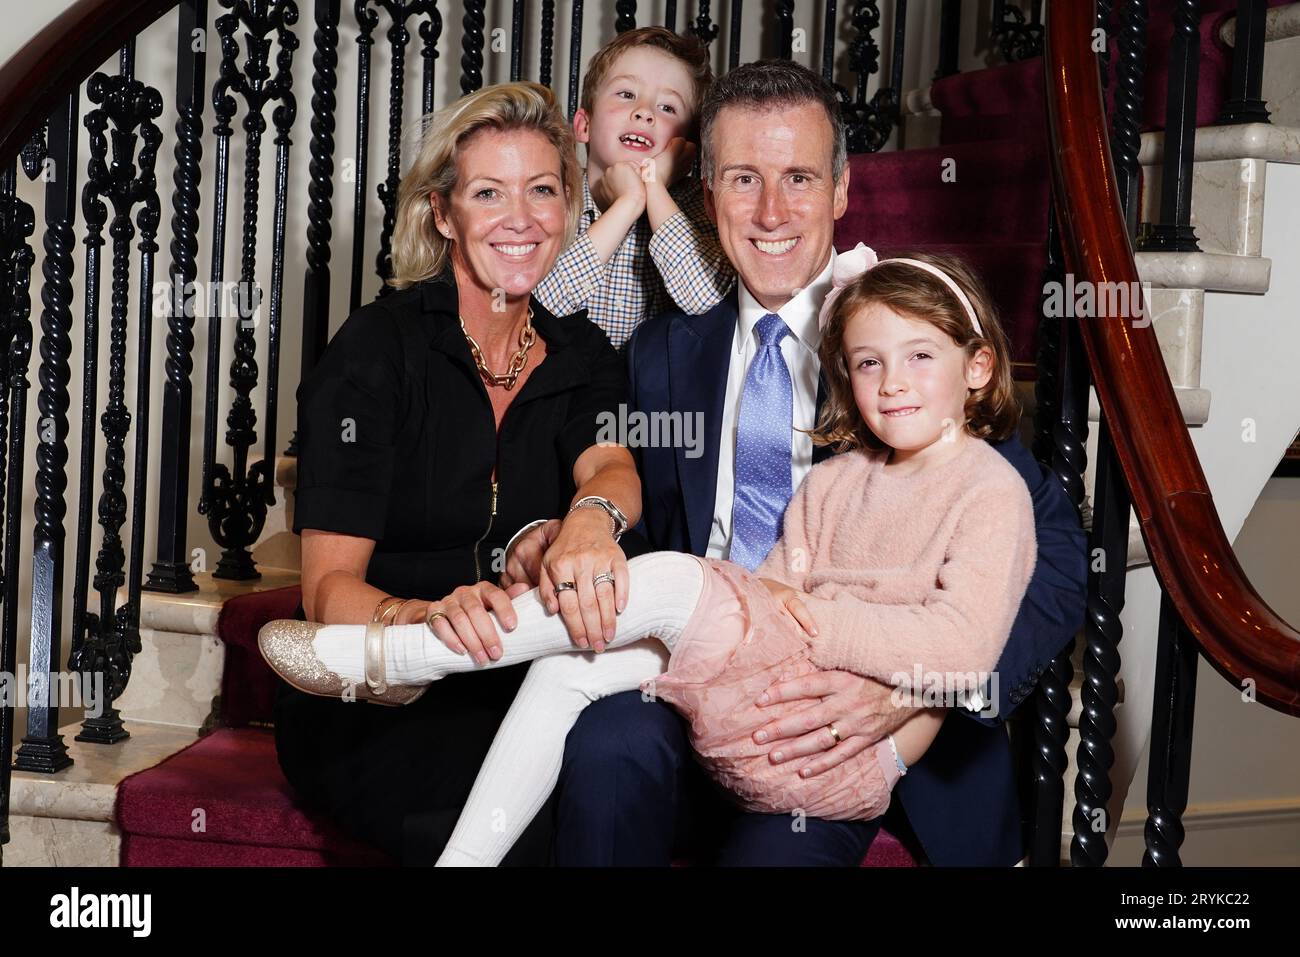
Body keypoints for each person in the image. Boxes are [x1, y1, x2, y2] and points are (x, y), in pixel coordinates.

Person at [258, 245, 1038, 869]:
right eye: (869, 362)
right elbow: (774, 589)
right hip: (764, 706)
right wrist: (772, 616)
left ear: (977, 369)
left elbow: (966, 648)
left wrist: (814, 626)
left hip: (836, 756)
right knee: (570, 666)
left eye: (920, 358)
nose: (891, 383)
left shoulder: (989, 489)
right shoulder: (836, 480)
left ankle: (412, 651)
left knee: (671, 577)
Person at [508, 60, 1088, 866]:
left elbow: (1055, 558)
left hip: (842, 708)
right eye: (744, 179)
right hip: (690, 675)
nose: (772, 211)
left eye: (800, 178)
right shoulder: (660, 353)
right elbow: (630, 520)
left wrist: (913, 684)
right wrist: (565, 535)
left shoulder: (907, 353)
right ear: (707, 197)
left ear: (843, 190)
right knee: (607, 748)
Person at [271, 81, 641, 866]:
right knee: (503, 822)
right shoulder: (376, 352)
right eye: (488, 192)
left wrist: (587, 520)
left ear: (569, 204)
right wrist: (424, 617)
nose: (521, 218)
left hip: (526, 674)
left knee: (610, 787)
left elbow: (610, 460)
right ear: (442, 214)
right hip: (390, 693)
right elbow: (328, 589)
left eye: (543, 189)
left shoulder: (582, 351)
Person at [534, 26, 735, 351]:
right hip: (565, 389)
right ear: (584, 126)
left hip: (657, 398)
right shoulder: (555, 200)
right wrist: (628, 204)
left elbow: (704, 298)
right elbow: (537, 309)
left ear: (687, 145)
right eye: (626, 94)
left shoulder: (697, 206)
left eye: (668, 107)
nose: (644, 112)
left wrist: (653, 186)